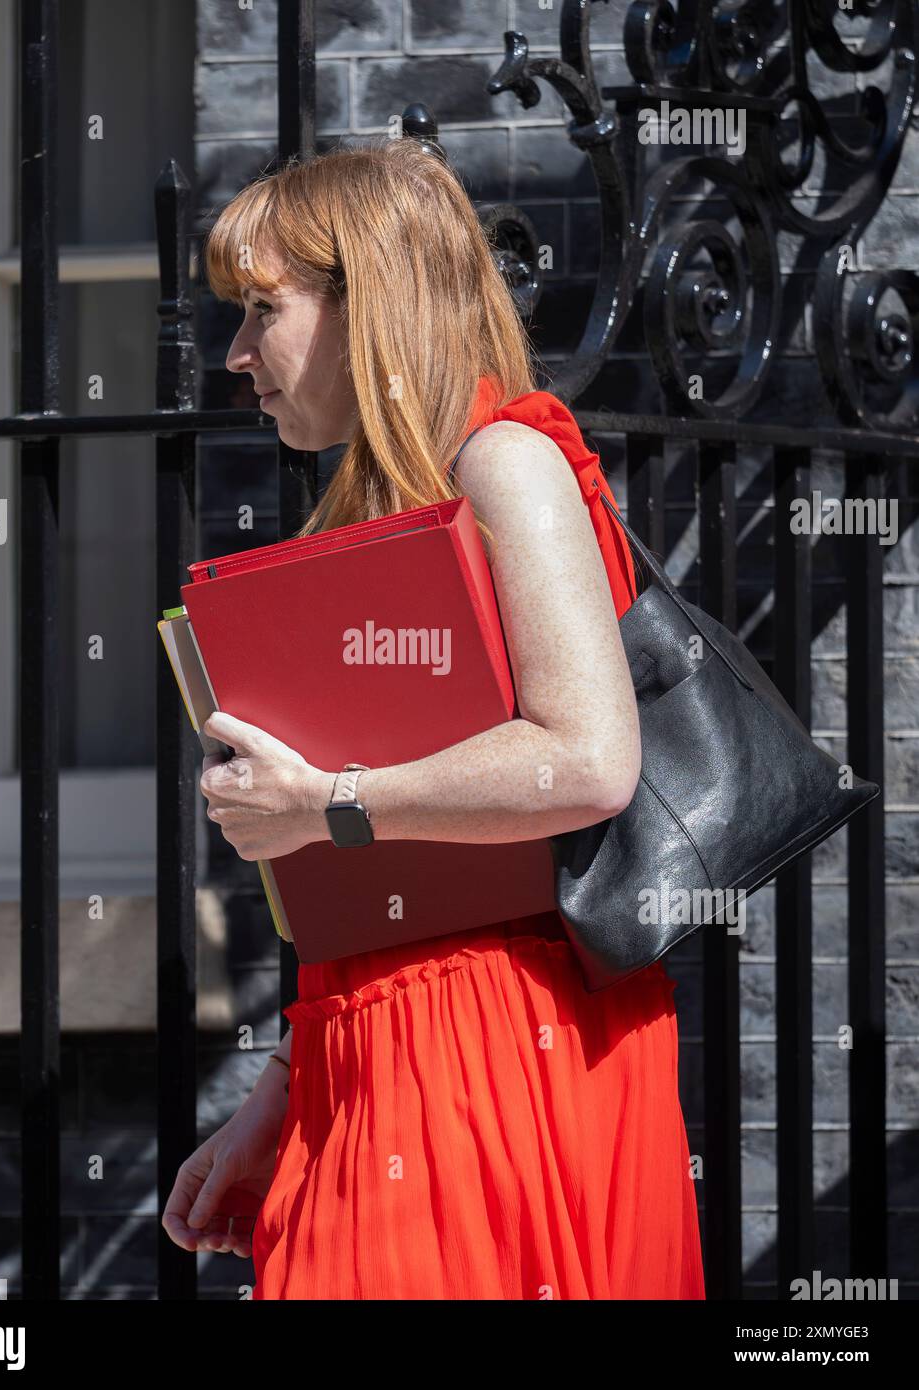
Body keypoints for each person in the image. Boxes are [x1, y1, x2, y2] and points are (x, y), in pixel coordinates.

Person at [161, 138, 705, 1299]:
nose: (237, 354)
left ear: (376, 300)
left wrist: (321, 804)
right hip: (379, 1046)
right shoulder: (372, 506)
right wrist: (280, 1096)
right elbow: (379, 894)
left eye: (262, 311)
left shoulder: (506, 459)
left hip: (504, 1038)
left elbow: (586, 760)